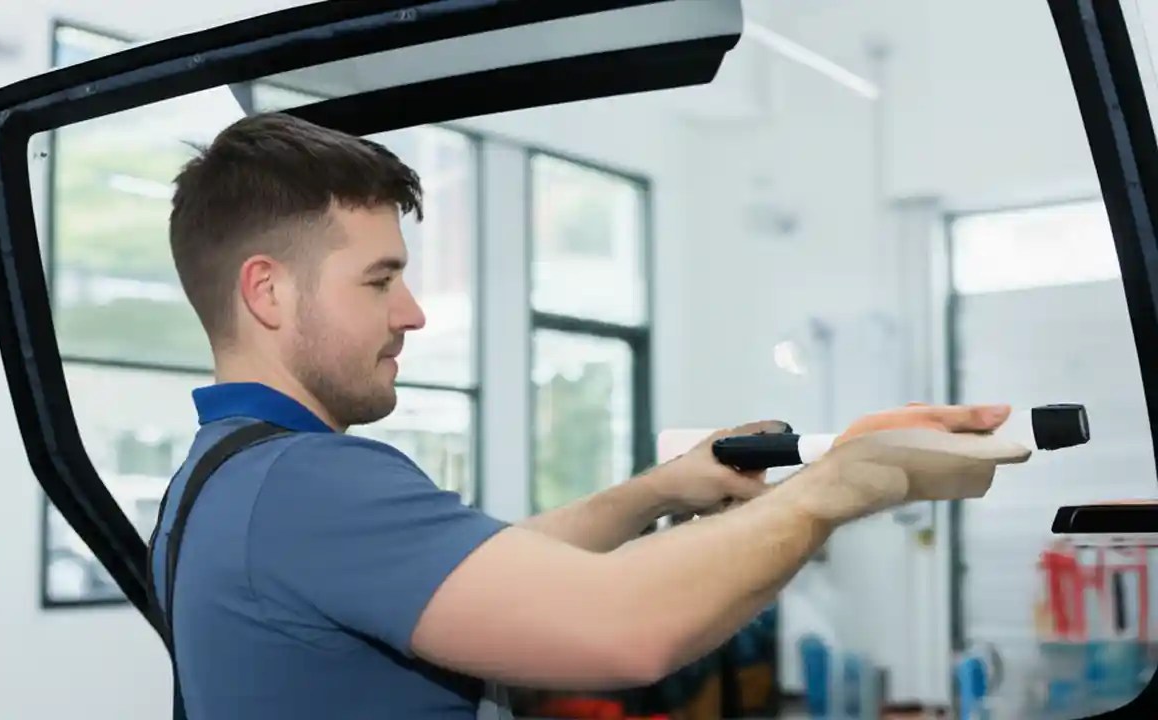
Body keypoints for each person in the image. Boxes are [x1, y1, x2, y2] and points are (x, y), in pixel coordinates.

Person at [149, 112, 1016, 719]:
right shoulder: (310, 483)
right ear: (267, 290)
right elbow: (626, 630)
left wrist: (659, 491)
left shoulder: (221, 480)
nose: (411, 313)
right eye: (379, 280)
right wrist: (847, 483)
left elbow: (499, 573)